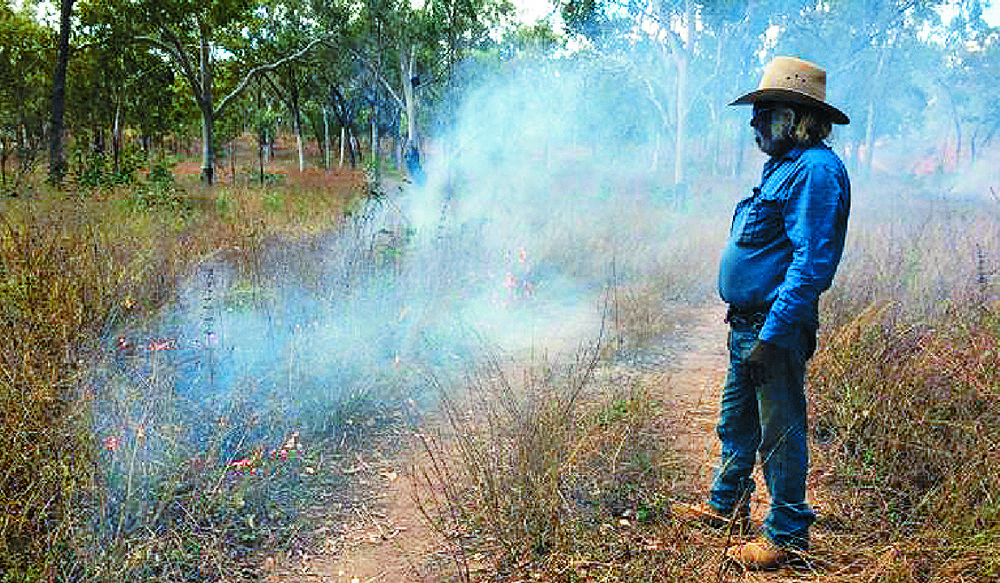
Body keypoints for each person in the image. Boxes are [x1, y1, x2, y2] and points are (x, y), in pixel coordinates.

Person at [680, 56, 851, 569]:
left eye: (764, 113)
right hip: (748, 325)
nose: (754, 123)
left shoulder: (817, 171)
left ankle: (787, 536)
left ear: (795, 116)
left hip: (773, 327)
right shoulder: (783, 165)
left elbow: (810, 263)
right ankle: (725, 507)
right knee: (737, 421)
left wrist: (774, 336)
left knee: (780, 430)